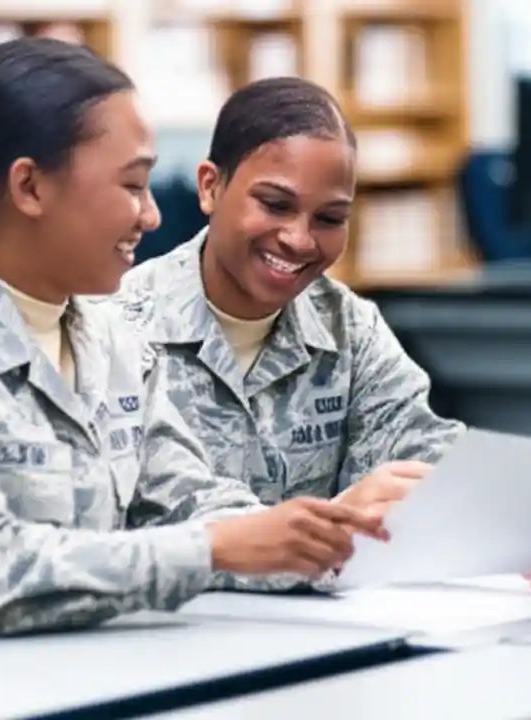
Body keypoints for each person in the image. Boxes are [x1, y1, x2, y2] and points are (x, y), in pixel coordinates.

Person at [0, 38, 383, 665]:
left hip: (61, 681)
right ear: (30, 187)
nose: (153, 216)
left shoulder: (111, 340)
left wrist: (331, 535)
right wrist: (214, 547)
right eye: (131, 186)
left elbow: (188, 499)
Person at [115, 77, 463, 517]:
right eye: (275, 205)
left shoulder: (348, 328)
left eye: (330, 217)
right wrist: (329, 530)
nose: (300, 240)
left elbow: (425, 457)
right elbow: (175, 508)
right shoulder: (117, 326)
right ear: (210, 187)